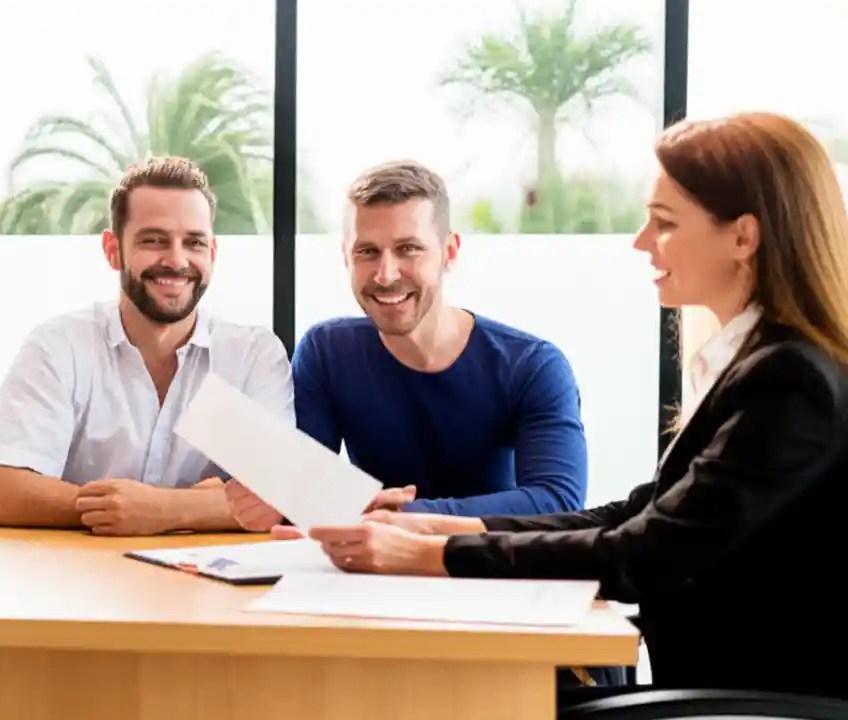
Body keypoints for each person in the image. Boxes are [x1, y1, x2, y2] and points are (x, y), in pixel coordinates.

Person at [277, 112, 848, 703]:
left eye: (664, 222)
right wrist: (437, 526)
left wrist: (429, 552)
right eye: (366, 251)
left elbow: (643, 552)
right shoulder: (761, 364)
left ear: (742, 238)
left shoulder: (790, 380)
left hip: (741, 706)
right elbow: (640, 511)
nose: (640, 241)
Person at [227, 159, 588, 531]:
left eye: (409, 249)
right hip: (367, 560)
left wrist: (406, 516)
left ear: (449, 253)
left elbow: (558, 500)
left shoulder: (532, 366)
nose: (386, 275)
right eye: (367, 252)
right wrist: (269, 497)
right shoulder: (327, 353)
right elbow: (304, 491)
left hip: (486, 562)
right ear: (345, 257)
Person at [0, 156, 293, 536]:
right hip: (74, 570)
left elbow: (280, 500)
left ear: (212, 253)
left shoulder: (252, 356)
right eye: (154, 240)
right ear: (112, 249)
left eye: (194, 242)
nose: (176, 260)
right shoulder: (59, 346)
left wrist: (161, 510)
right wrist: (145, 509)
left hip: (202, 574)